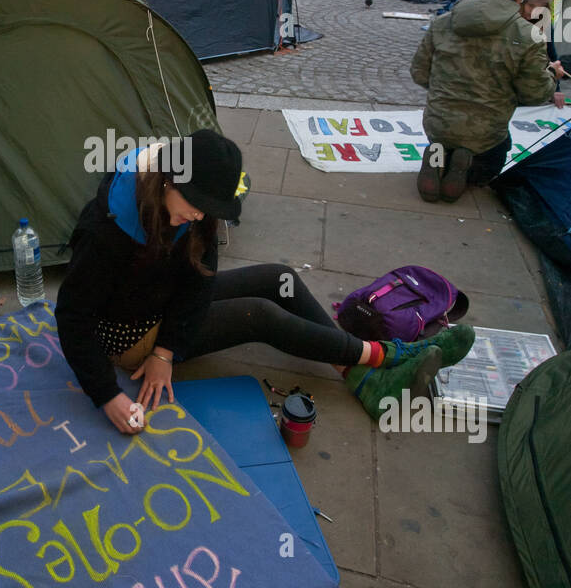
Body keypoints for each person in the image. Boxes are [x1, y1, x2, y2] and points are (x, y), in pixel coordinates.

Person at [55, 132, 475, 432]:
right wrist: (107, 394)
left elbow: (201, 277)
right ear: (167, 179)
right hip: (126, 334)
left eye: (209, 209)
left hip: (159, 305)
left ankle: (362, 374)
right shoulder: (108, 229)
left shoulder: (194, 209)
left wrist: (168, 351)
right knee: (260, 315)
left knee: (280, 279)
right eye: (195, 205)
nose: (200, 215)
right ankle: (383, 358)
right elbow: (72, 315)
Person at [411, 0, 561, 202]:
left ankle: (438, 155)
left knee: (443, 140)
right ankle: (468, 168)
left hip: (439, 123)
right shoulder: (529, 35)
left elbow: (419, 72)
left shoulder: (443, 22)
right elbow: (534, 94)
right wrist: (550, 73)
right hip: (486, 135)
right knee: (487, 160)